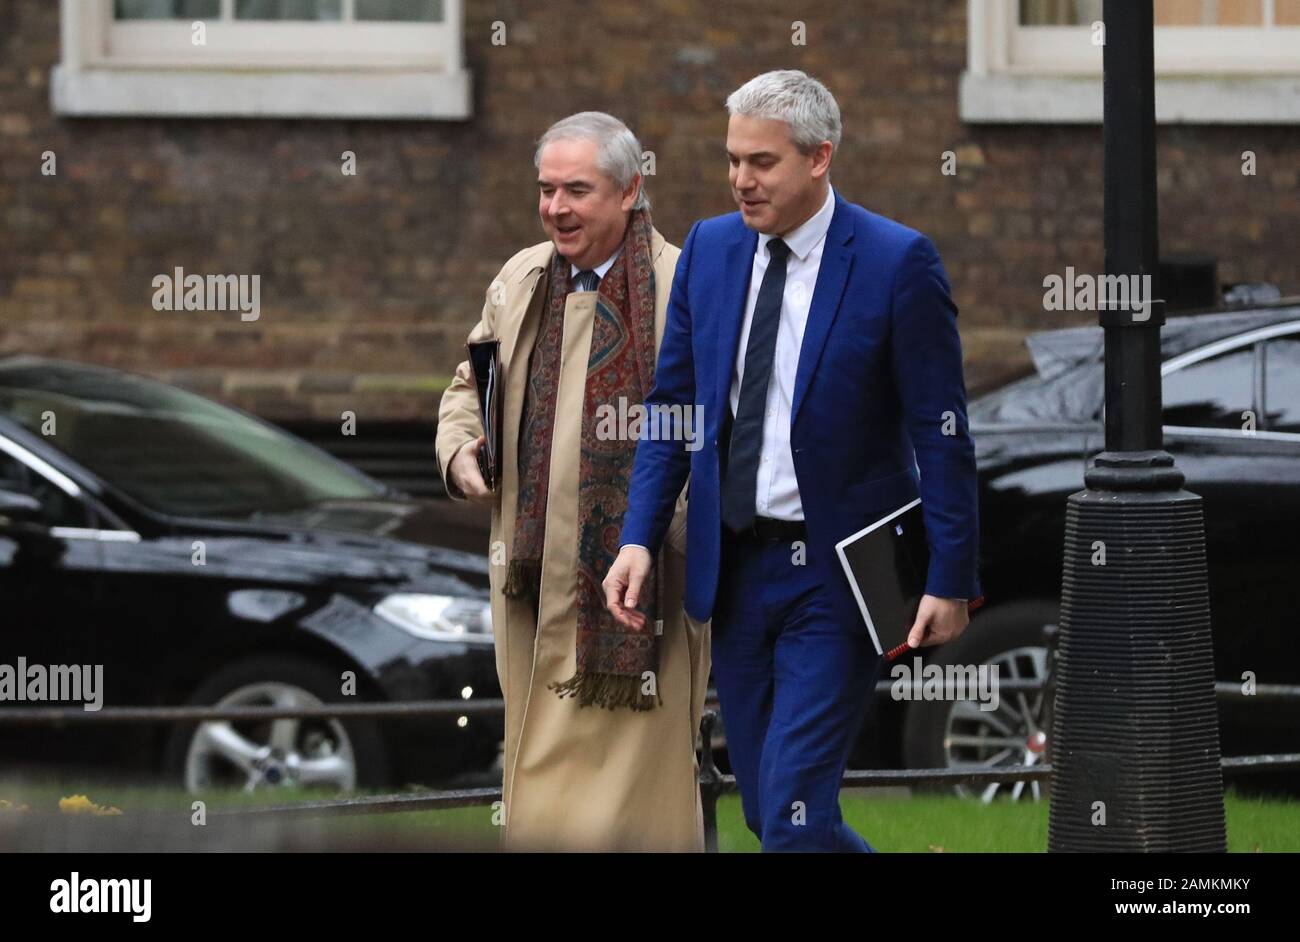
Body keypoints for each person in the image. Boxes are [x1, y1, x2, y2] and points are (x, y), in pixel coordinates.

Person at [605, 71, 981, 852]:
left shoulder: (896, 262)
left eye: (762, 162)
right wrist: (639, 536)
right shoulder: (710, 250)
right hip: (736, 570)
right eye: (733, 160)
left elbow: (941, 431)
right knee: (767, 810)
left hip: (839, 576)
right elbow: (672, 409)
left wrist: (950, 577)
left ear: (819, 158)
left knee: (791, 816)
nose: (742, 179)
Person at [436, 112, 709, 851]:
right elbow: (470, 388)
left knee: (636, 808)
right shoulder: (521, 279)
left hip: (644, 594)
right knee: (544, 803)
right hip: (533, 589)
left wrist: (664, 529)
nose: (557, 207)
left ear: (630, 190)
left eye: (577, 190)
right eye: (546, 189)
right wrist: (461, 454)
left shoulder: (685, 282)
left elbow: (712, 425)